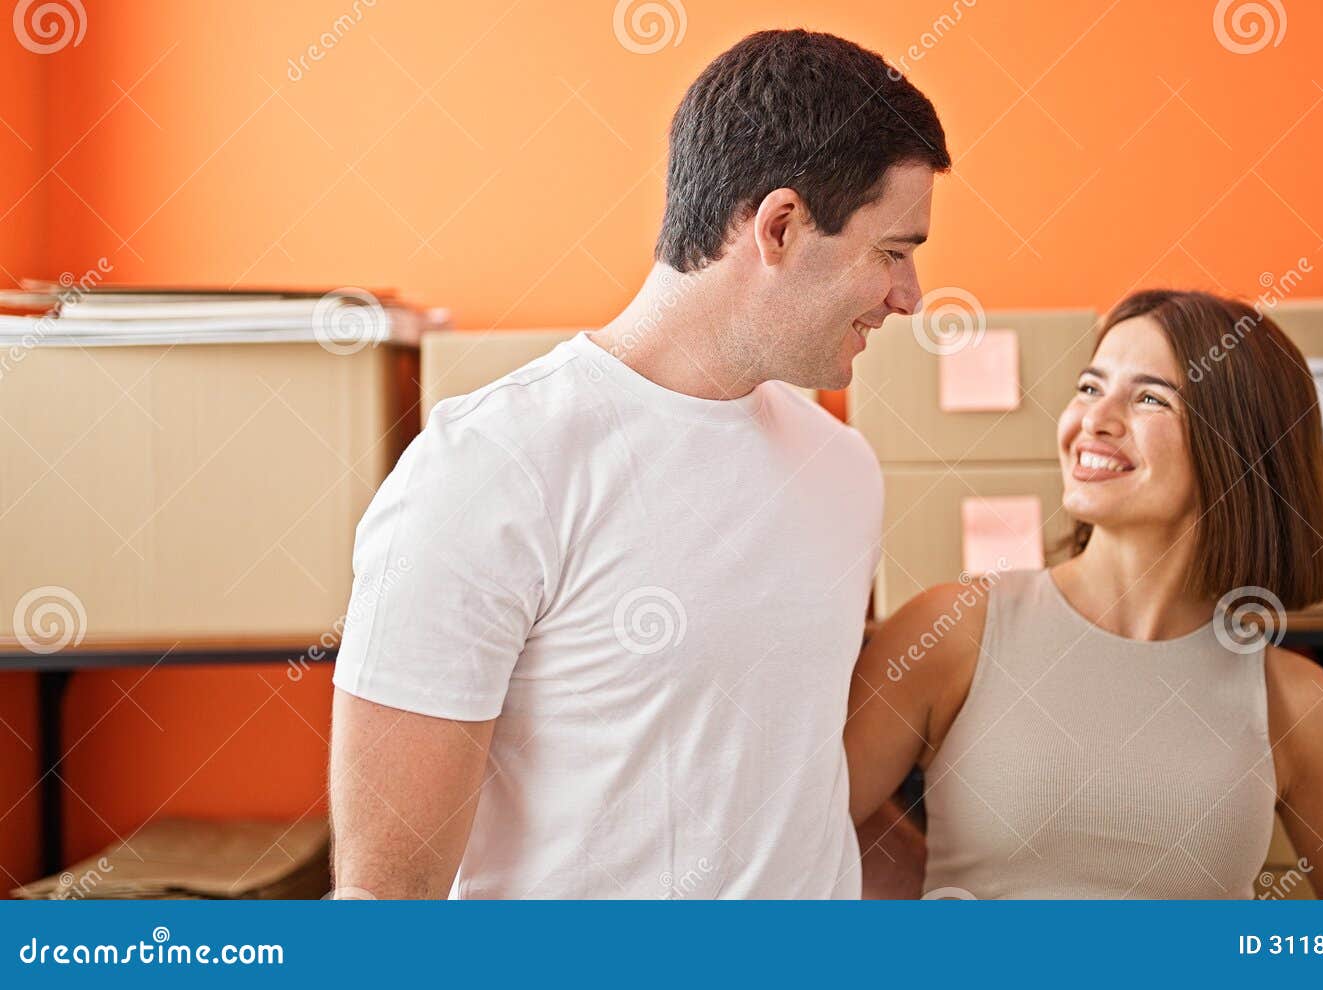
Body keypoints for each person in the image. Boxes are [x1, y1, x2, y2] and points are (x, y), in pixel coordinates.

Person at [328, 29, 949, 898]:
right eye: (894, 252)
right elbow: (386, 901)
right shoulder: (488, 471)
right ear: (779, 227)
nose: (910, 298)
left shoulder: (843, 470)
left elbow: (789, 788)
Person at [845, 290, 1323, 899]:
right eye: (1091, 388)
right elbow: (798, 826)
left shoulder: (1294, 702)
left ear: (1238, 448)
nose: (1094, 419)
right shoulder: (954, 630)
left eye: (1149, 398)